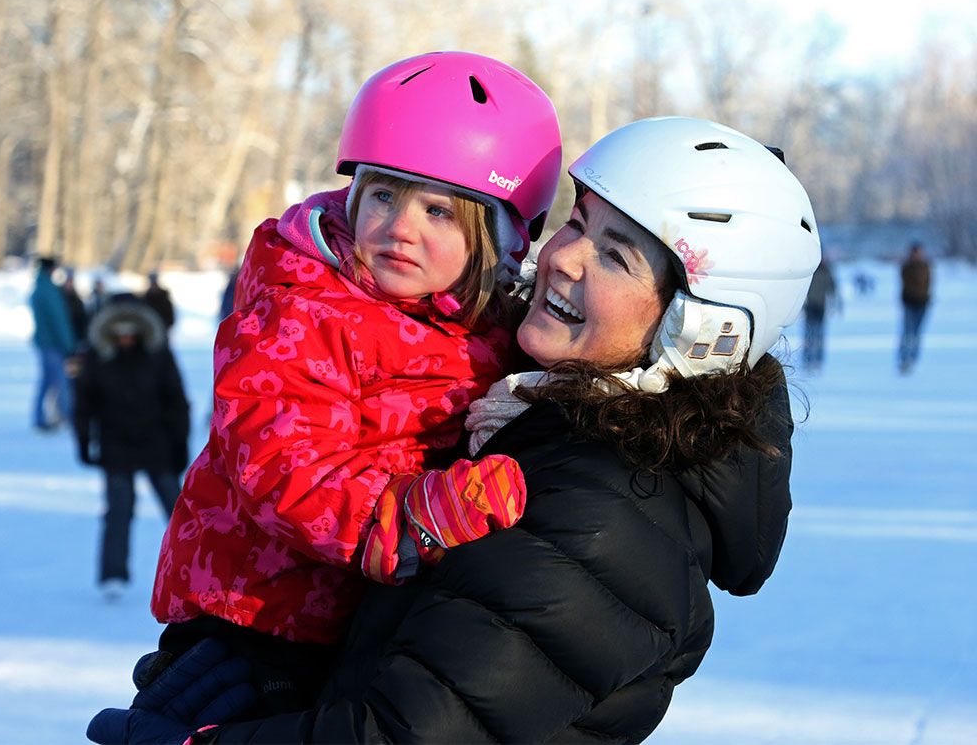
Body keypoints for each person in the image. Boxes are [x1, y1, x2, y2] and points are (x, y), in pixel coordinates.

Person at [88, 116, 820, 744]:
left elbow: (405, 734)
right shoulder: (539, 415)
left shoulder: (599, 508)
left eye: (615, 255)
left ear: (698, 330)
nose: (561, 257)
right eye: (577, 222)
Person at [145, 50, 563, 715]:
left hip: (354, 631)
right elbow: (277, 461)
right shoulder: (306, 305)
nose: (399, 227)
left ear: (502, 237)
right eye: (384, 194)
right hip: (253, 629)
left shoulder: (492, 331)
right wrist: (405, 517)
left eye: (439, 212)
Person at [74, 293, 191, 602]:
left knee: (180, 511)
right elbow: (84, 403)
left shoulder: (159, 355)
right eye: (119, 332)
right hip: (117, 447)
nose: (125, 338)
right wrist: (85, 441)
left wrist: (180, 444)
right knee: (118, 511)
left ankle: (196, 567)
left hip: (158, 445)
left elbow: (177, 401)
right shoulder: (98, 358)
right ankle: (113, 574)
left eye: (131, 331)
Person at [29, 255, 77, 431]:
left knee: (47, 381)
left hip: (45, 342)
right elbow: (58, 320)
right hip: (52, 343)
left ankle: (40, 417)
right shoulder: (48, 290)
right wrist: (69, 343)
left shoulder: (41, 287)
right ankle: (67, 417)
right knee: (60, 381)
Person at [897, 240, 932, 374]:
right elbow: (909, 282)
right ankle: (904, 359)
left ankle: (913, 358)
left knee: (917, 333)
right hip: (909, 303)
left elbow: (926, 283)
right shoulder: (907, 266)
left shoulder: (925, 266)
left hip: (922, 303)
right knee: (908, 332)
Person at [802, 253, 840, 372]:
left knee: (818, 335)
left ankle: (817, 360)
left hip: (820, 307)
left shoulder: (826, 272)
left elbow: (832, 288)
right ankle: (808, 359)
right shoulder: (810, 271)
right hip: (810, 306)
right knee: (809, 335)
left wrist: (835, 304)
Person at [61, 266, 89, 347]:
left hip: (76, 334)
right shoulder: (60, 297)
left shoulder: (76, 298)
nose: (69, 283)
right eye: (68, 281)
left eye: (71, 281)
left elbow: (82, 316)